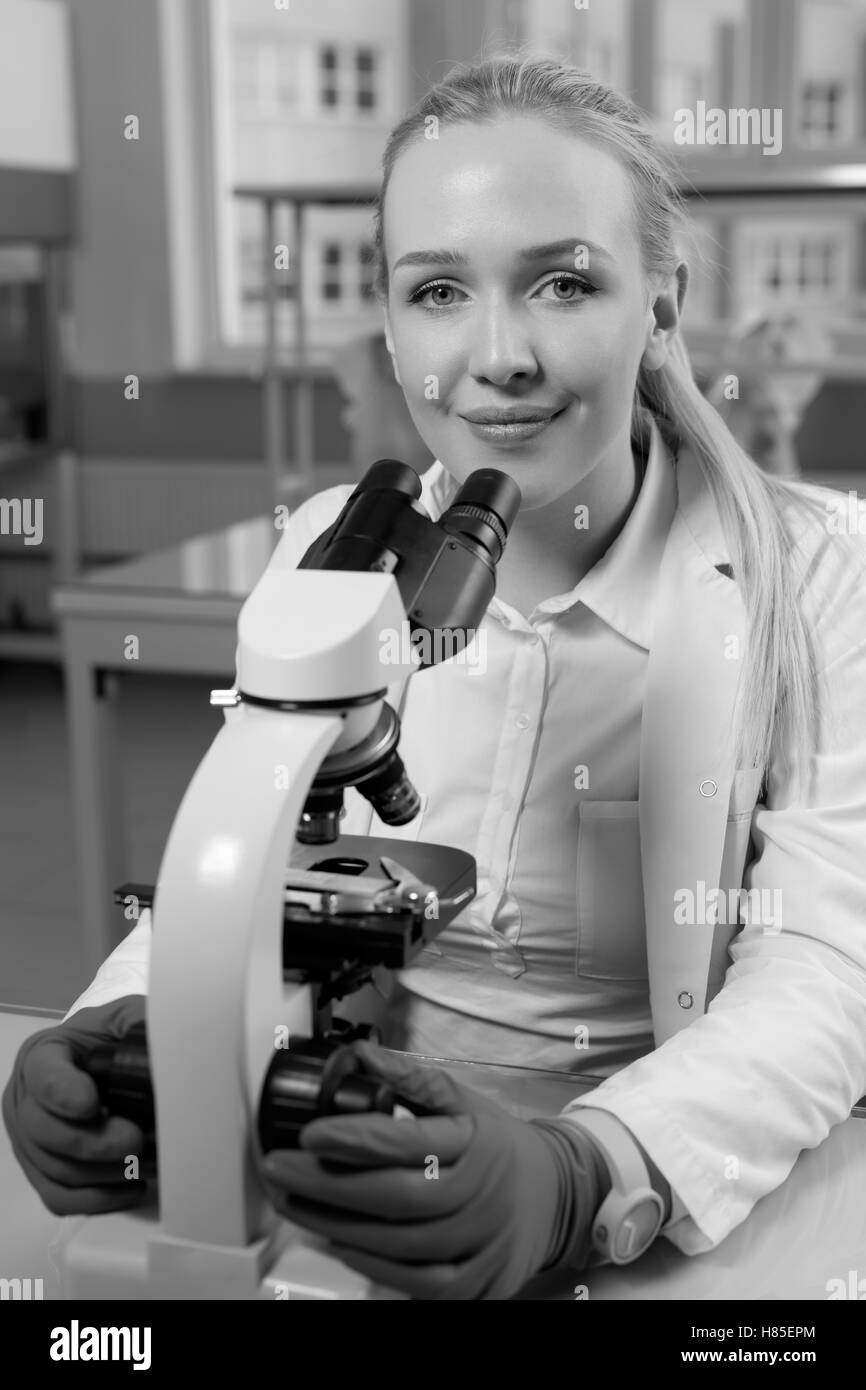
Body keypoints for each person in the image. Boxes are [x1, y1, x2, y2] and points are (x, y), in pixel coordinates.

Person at [4, 52, 866, 1301]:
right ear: (393, 319)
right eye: (438, 291)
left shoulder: (820, 576)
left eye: (563, 283)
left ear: (661, 307)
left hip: (667, 1171)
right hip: (344, 1151)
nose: (495, 355)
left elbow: (827, 969)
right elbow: (237, 863)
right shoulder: (327, 553)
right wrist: (123, 1030)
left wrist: (577, 1171)